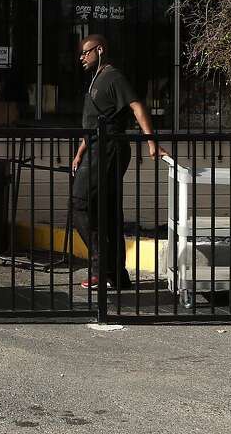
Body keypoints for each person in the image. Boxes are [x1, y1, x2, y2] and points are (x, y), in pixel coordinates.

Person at [69, 34, 162, 290]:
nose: (81, 58)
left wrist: (151, 141)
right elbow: (95, 123)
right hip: (95, 148)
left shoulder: (113, 77)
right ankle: (117, 275)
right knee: (107, 212)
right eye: (80, 54)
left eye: (86, 52)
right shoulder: (95, 79)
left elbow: (137, 106)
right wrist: (80, 152)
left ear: (99, 50)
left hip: (109, 150)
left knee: (80, 204)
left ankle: (103, 266)